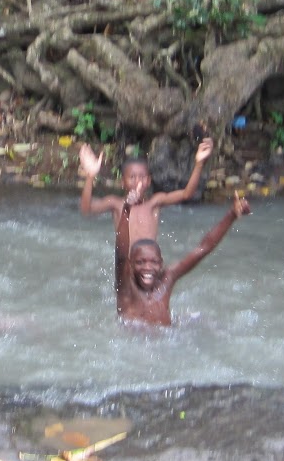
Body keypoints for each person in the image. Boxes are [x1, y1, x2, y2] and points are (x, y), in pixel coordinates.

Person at [80, 136, 213, 284]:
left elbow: (187, 193)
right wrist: (90, 177)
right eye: (132, 177)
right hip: (127, 264)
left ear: (149, 181)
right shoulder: (116, 203)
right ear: (122, 182)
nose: (138, 182)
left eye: (142, 177)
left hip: (149, 263)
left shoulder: (154, 203)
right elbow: (87, 209)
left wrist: (199, 163)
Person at [115, 189, 251, 326]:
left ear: (161, 264)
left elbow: (203, 249)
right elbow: (121, 255)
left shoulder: (166, 280)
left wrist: (232, 214)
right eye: (140, 262)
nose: (148, 267)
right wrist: (126, 210)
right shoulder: (127, 287)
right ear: (130, 265)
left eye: (154, 262)